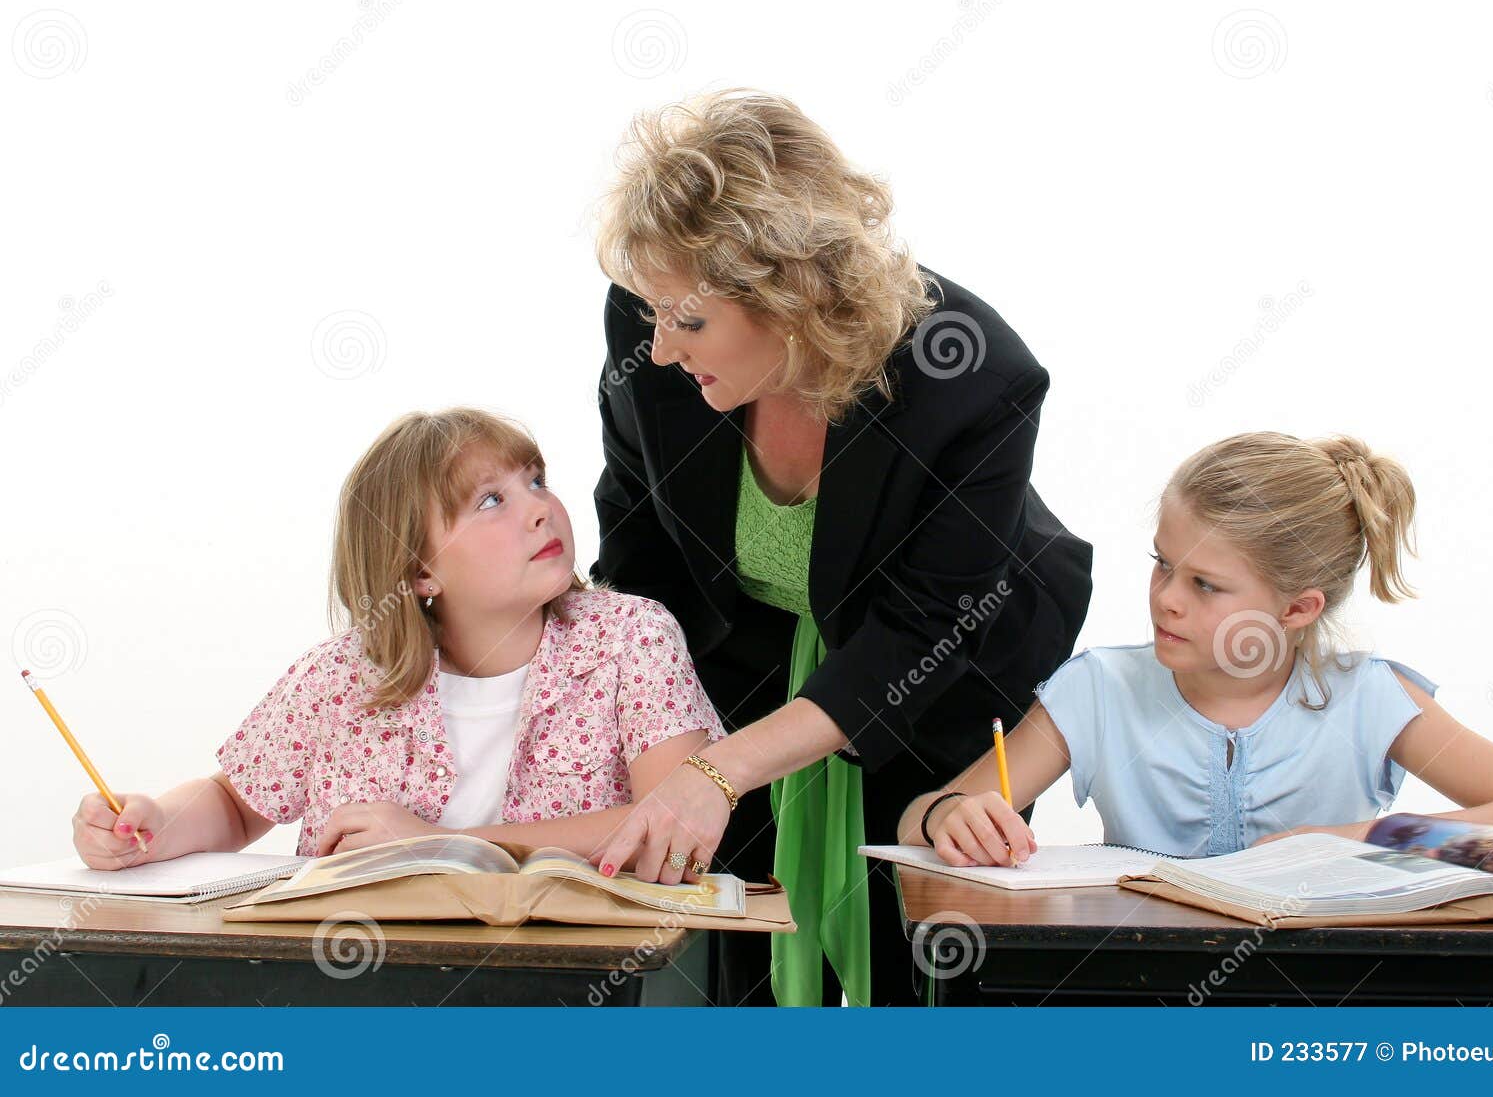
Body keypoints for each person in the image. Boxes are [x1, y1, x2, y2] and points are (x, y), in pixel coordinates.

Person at [587, 88, 1093, 1005]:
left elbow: (918, 630)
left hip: (946, 658)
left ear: (786, 294)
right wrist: (667, 747)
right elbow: (638, 558)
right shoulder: (647, 323)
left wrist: (719, 769)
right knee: (731, 937)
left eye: (688, 321)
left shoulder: (976, 375)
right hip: (748, 652)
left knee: (920, 943)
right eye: (653, 311)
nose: (658, 348)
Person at [900, 432, 1493, 868]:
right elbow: (916, 820)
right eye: (1162, 563)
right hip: (1140, 994)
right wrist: (949, 816)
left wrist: (1351, 839)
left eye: (1206, 584)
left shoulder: (1370, 699)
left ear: (1297, 608)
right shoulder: (1098, 689)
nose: (1167, 597)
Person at [71, 408, 722, 868]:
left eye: (535, 479)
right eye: (490, 500)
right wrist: (151, 822)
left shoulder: (634, 639)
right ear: (419, 570)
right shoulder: (339, 678)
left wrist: (443, 843)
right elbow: (233, 803)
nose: (538, 507)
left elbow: (674, 818)